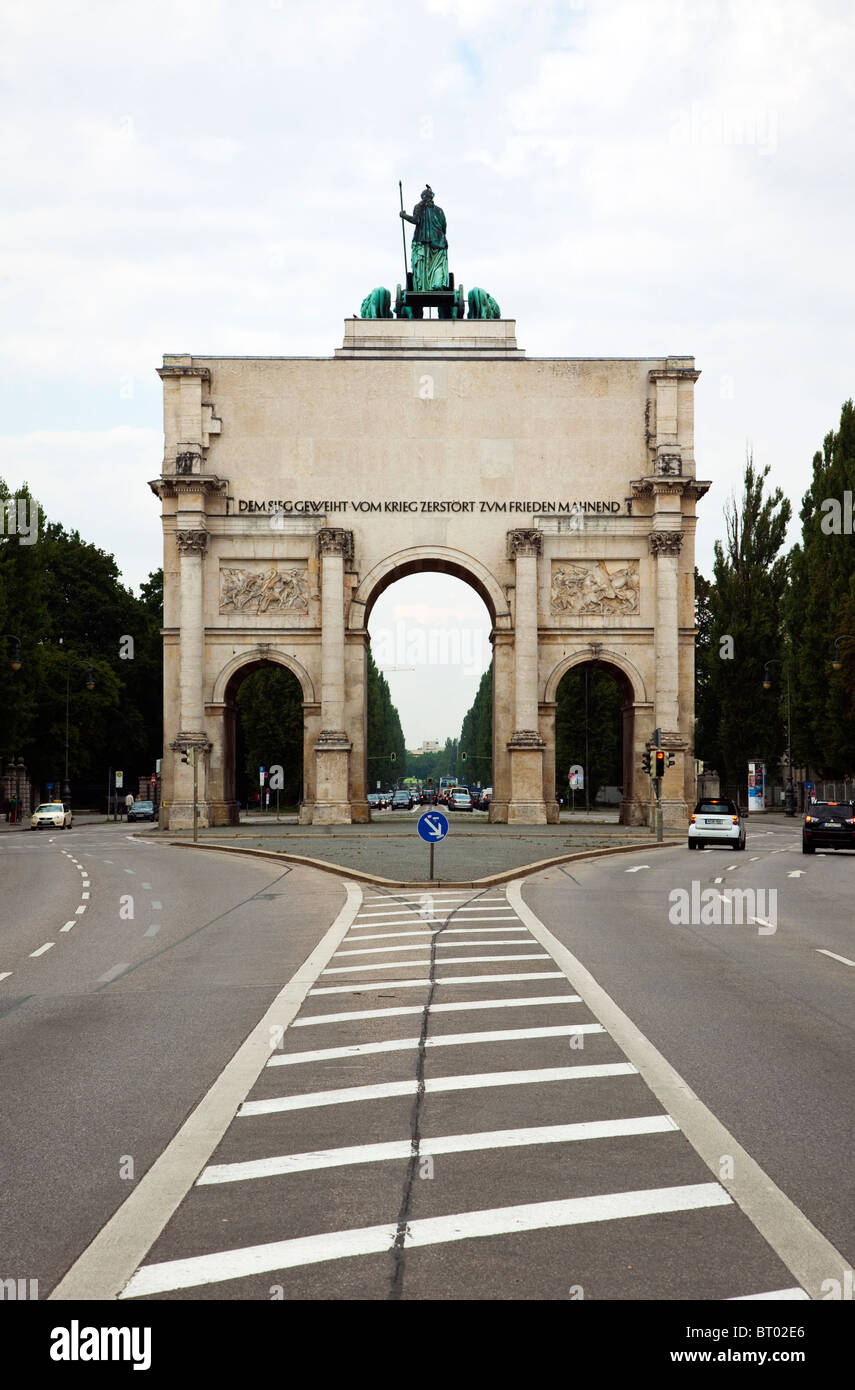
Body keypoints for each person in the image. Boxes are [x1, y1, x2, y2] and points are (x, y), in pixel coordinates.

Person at [400, 186, 448, 291]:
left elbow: (415, 220)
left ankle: (422, 287)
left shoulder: (419, 207)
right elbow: (444, 226)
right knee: (437, 265)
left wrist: (403, 216)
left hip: (422, 241)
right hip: (438, 242)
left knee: (422, 265)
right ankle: (436, 284)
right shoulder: (439, 210)